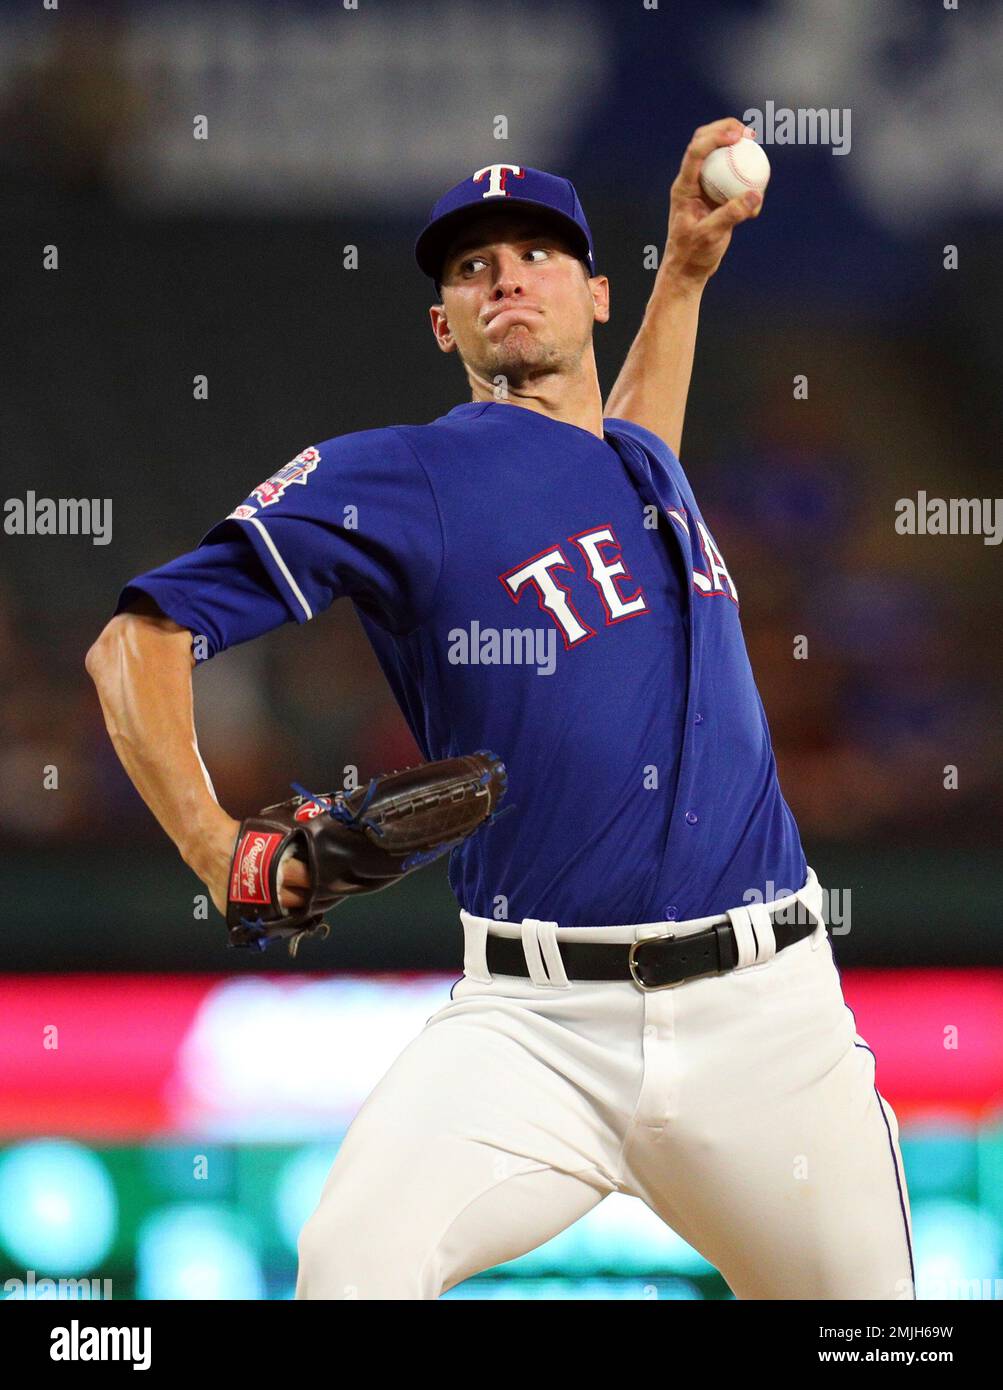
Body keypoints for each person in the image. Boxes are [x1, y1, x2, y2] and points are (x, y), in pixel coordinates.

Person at [86, 119, 914, 1300]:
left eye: (534, 253)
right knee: (346, 1269)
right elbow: (135, 643)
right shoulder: (403, 475)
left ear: (592, 296)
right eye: (472, 267)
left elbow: (622, 449)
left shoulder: (638, 468)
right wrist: (216, 846)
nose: (504, 276)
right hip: (534, 1027)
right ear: (445, 325)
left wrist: (684, 271)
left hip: (768, 1019)